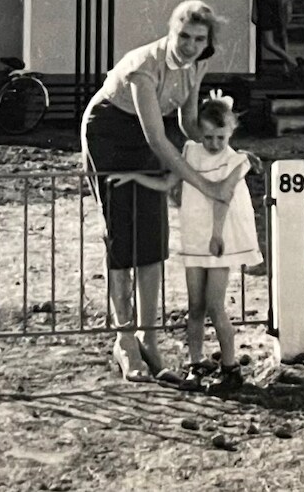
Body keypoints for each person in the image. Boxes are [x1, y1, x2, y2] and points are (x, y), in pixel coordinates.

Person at [80, 0, 238, 385]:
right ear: (171, 32)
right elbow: (157, 140)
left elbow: (185, 121)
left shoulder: (198, 63)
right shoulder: (143, 67)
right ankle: (124, 342)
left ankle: (148, 339)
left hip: (148, 139)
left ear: (207, 42)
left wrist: (222, 152)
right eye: (183, 36)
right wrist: (205, 183)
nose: (189, 45)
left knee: (153, 238)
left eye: (199, 39)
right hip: (111, 136)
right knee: (122, 238)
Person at [117, 91, 262, 393]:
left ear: (231, 131)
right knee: (195, 307)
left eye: (220, 137)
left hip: (219, 239)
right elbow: (169, 182)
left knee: (215, 306)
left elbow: (223, 199)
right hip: (196, 237)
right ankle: (196, 365)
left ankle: (230, 368)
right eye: (208, 137)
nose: (213, 144)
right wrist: (133, 177)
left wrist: (217, 235)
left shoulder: (236, 161)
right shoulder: (191, 152)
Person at [254, 0, 304, 80]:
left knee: (282, 36)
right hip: (265, 4)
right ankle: (292, 61)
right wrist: (255, 10)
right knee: (268, 42)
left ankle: (287, 69)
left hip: (278, 4)